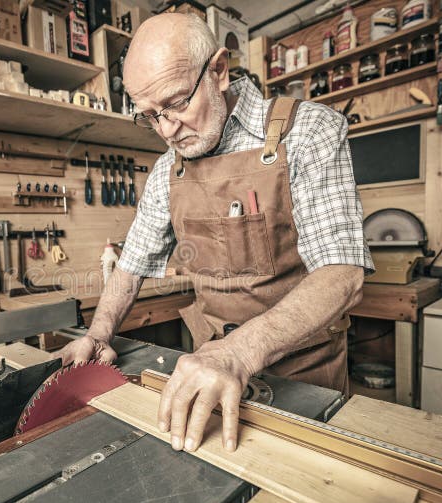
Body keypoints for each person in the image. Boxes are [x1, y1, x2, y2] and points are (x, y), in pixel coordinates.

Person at [55, 13, 374, 454]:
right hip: (208, 373)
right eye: (151, 116)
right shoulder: (168, 169)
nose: (167, 130)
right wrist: (98, 333)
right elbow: (131, 266)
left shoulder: (308, 131)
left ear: (219, 71)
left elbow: (342, 274)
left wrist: (239, 353)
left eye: (178, 103)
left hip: (305, 376)